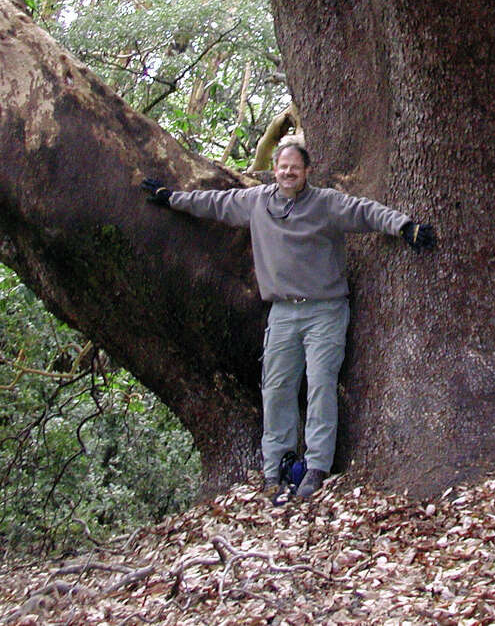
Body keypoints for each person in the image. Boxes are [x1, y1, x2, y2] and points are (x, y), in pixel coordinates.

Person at [141, 143, 435, 501]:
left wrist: (404, 226)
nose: (288, 173)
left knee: (320, 385)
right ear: (275, 169)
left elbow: (365, 212)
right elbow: (213, 204)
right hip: (281, 313)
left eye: (295, 168)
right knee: (277, 389)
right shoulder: (256, 201)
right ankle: (275, 470)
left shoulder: (325, 203)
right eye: (283, 167)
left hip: (325, 310)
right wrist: (172, 198)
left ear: (306, 171)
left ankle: (315, 468)